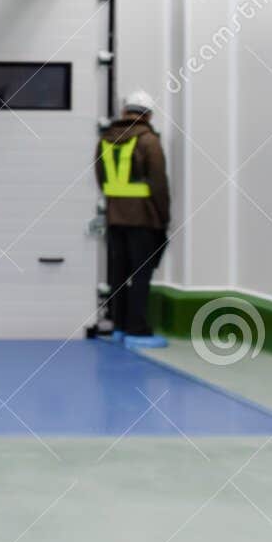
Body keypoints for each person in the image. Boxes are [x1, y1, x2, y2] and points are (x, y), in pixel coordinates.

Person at [96, 89, 170, 348]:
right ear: (148, 115)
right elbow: (159, 184)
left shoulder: (106, 139)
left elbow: (102, 179)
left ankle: (118, 326)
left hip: (116, 219)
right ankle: (137, 330)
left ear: (125, 112)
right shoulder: (149, 140)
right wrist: (164, 217)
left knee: (119, 272)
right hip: (144, 219)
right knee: (141, 274)